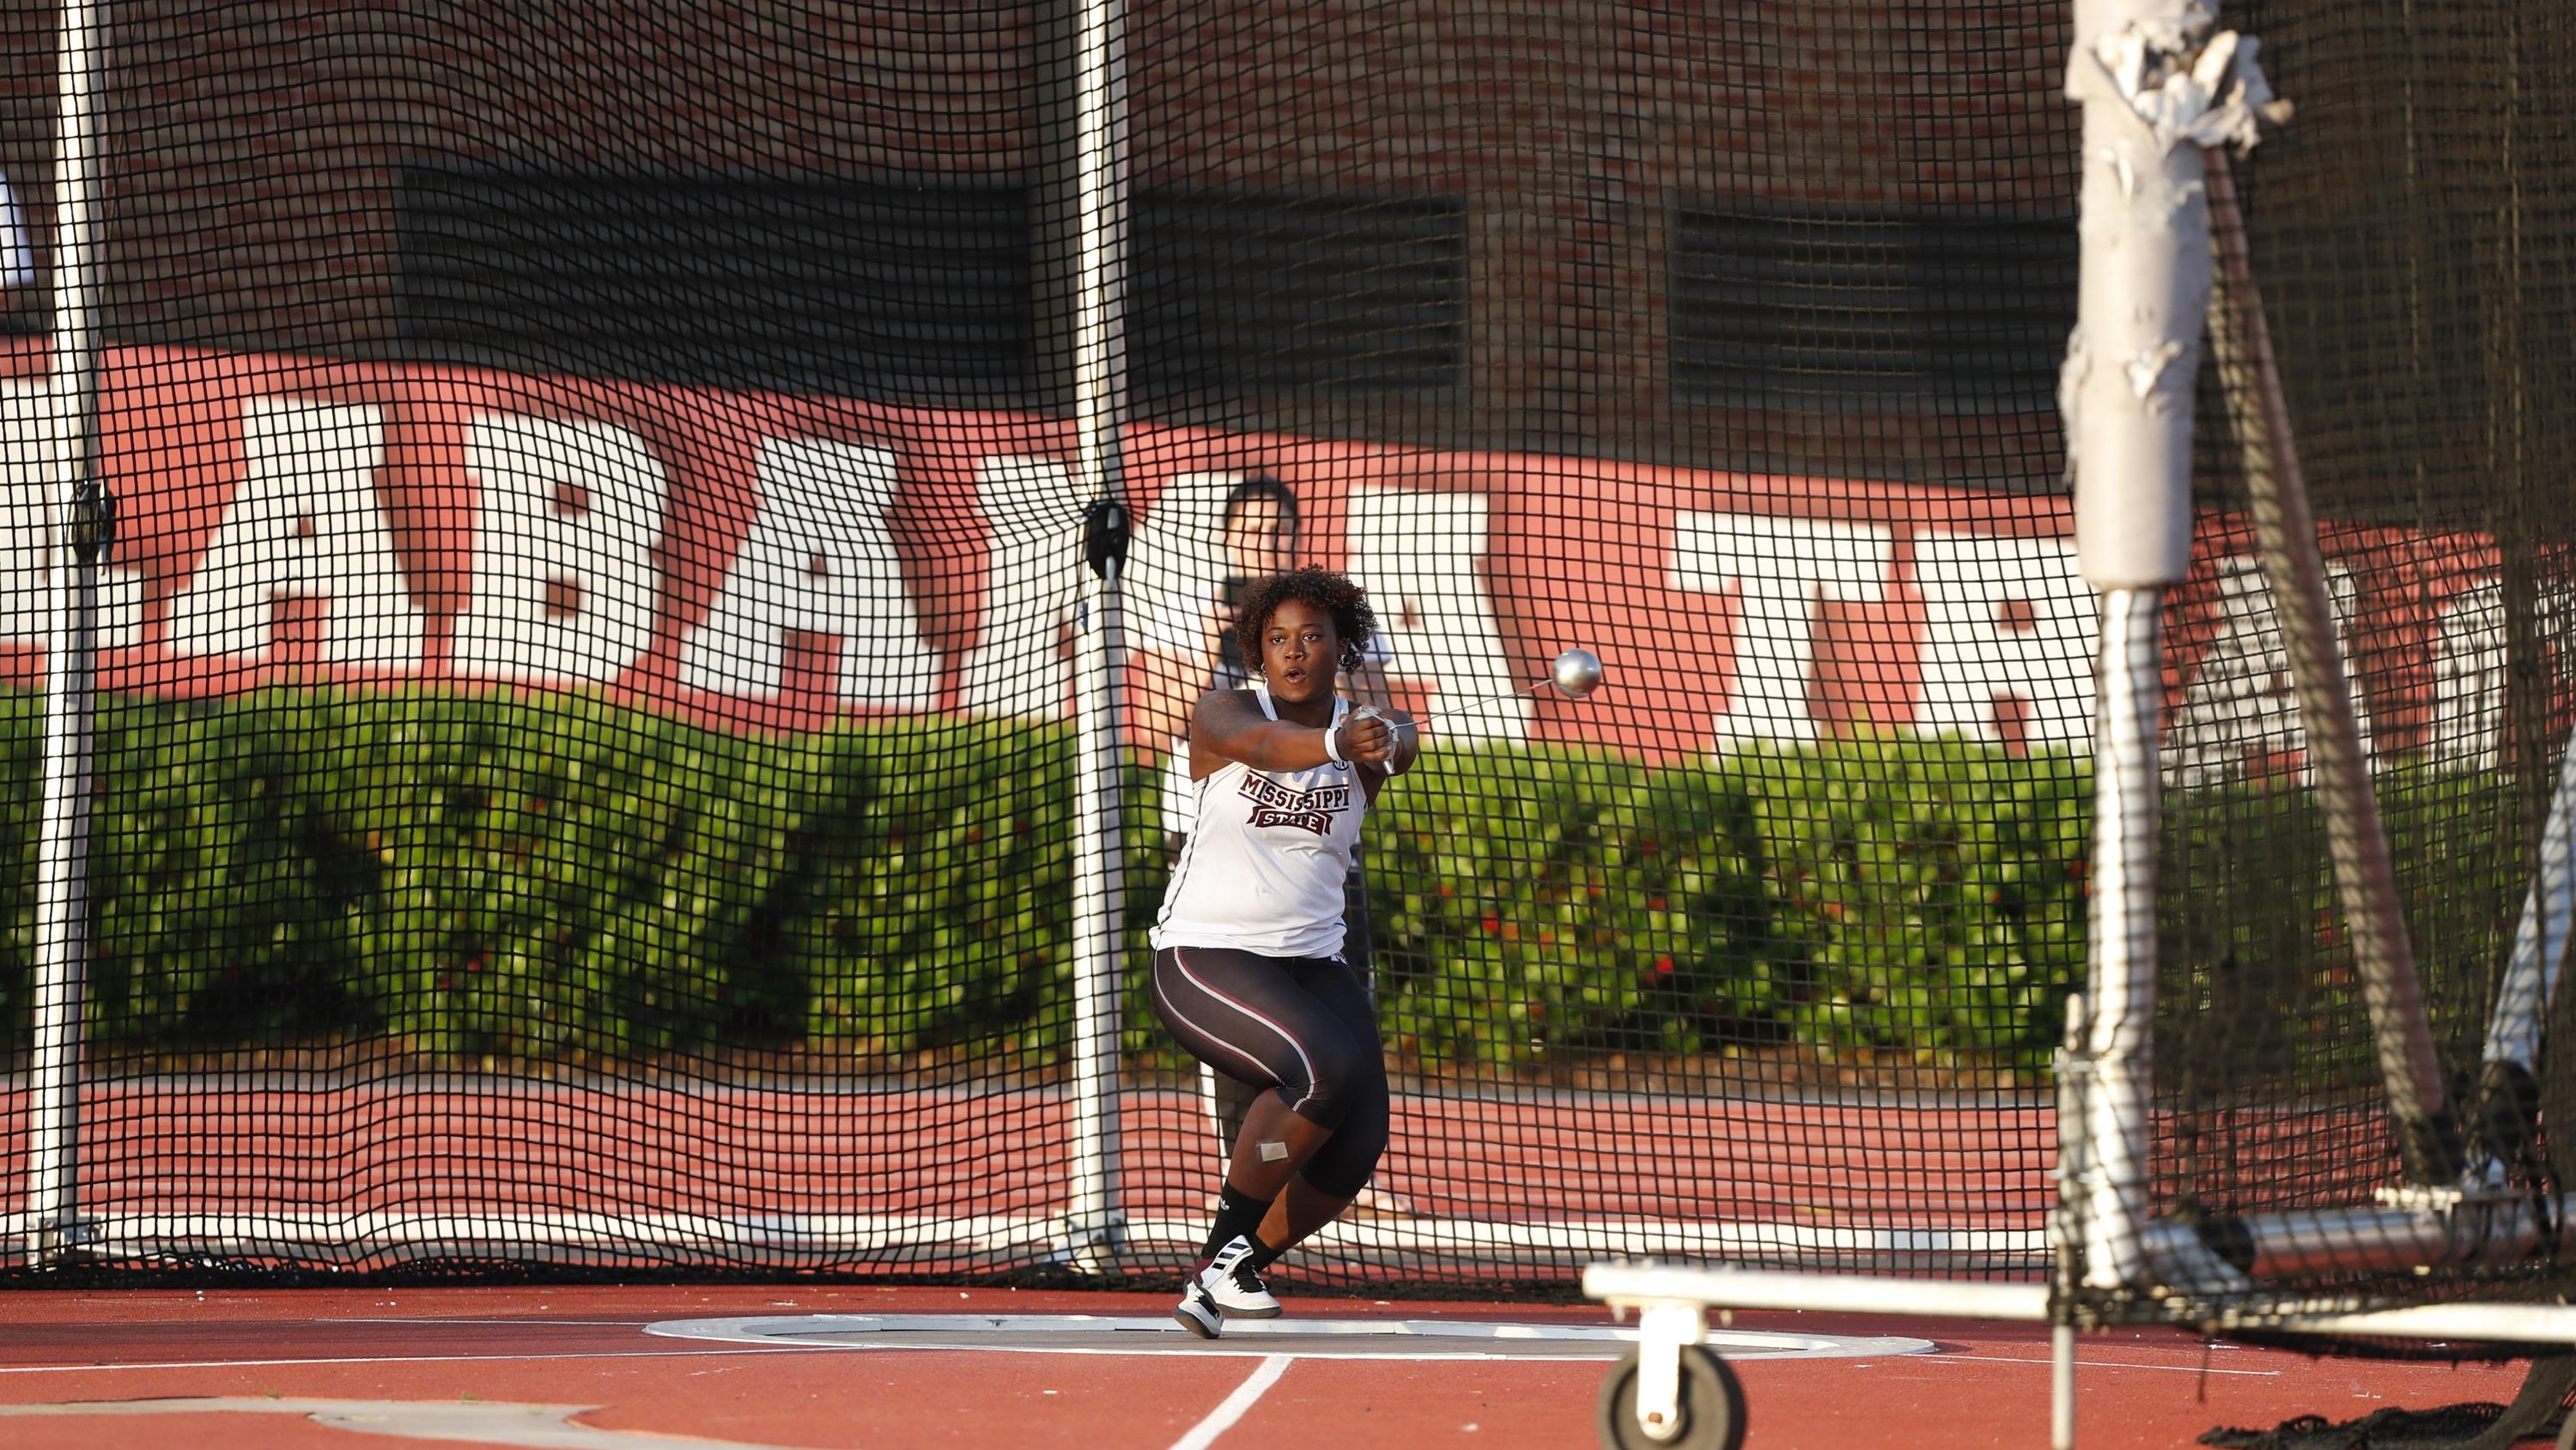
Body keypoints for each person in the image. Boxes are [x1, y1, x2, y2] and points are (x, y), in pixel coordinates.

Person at [1148, 566, 1416, 1338]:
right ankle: (1223, 1259)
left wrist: (1383, 736)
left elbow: (1400, 741)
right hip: (1206, 956)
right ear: (1258, 651)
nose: (1294, 652)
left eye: (1312, 637)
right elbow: (1266, 743)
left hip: (1309, 961)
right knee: (1321, 1070)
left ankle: (1228, 1270)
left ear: (1343, 646)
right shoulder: (1225, 712)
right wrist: (1335, 737)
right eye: (1277, 639)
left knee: (1359, 1134)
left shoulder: (1367, 736)